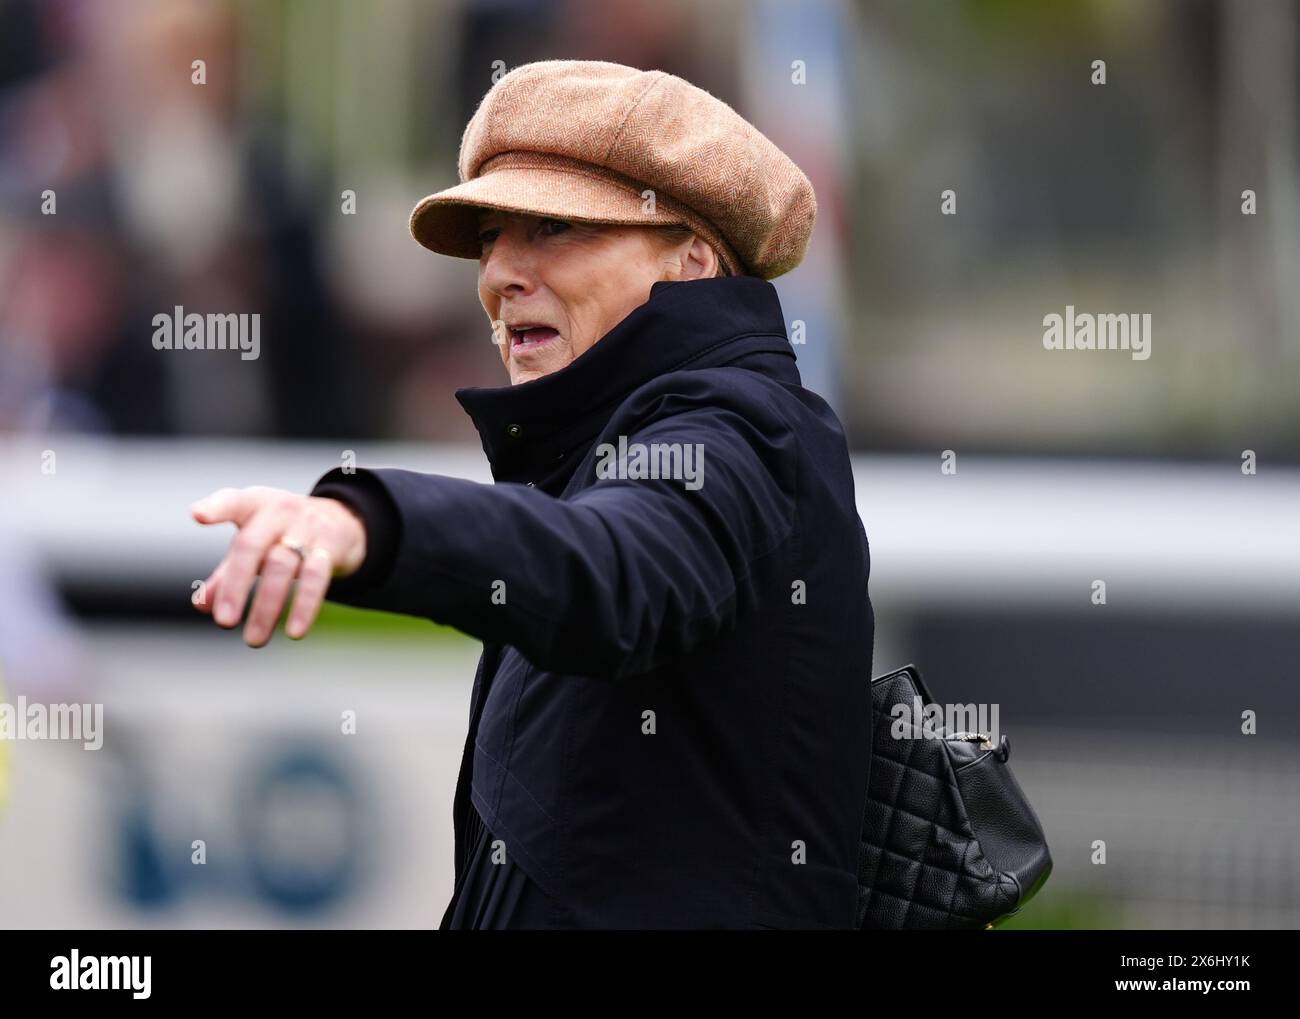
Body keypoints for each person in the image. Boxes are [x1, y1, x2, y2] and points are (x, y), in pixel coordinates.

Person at [191, 59, 874, 929]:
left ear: (694, 259)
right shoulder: (610, 449)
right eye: (489, 238)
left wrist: (371, 520)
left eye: (554, 227)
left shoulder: (740, 433)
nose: (499, 274)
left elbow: (613, 567)